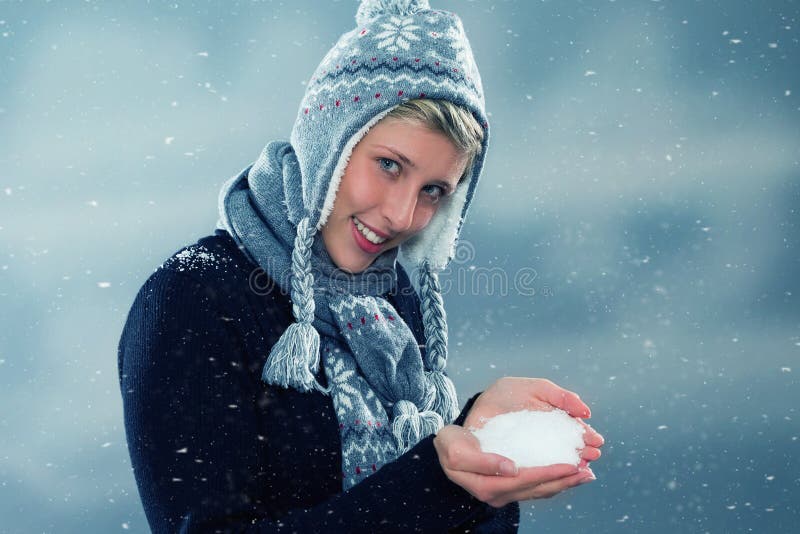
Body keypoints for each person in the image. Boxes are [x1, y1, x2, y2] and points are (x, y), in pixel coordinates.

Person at [117, 1, 604, 532]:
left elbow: (419, 506)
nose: (402, 216)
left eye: (433, 191)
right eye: (389, 165)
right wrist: (443, 482)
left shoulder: (388, 301)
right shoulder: (194, 295)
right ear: (329, 142)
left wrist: (481, 455)